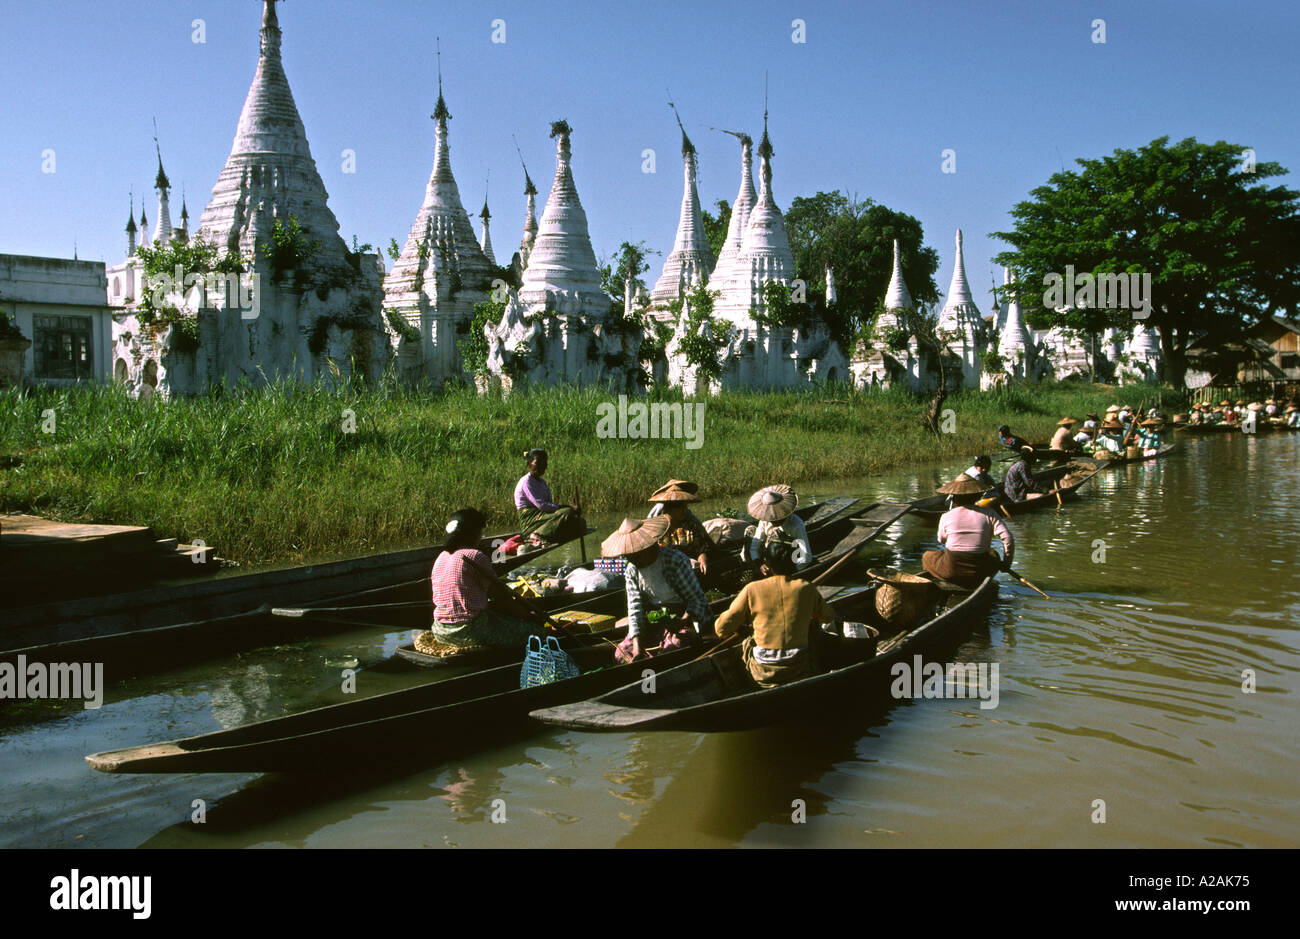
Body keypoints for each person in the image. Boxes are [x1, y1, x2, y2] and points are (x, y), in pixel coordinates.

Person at [714, 540, 836, 687]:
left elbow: (721, 629)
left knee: (747, 642)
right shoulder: (806, 588)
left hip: (763, 673)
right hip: (798, 668)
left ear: (767, 564)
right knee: (813, 631)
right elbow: (829, 616)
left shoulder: (752, 589)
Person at [426, 508, 542, 649]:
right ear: (473, 533)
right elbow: (501, 597)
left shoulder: (441, 557)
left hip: (440, 629)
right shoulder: (474, 556)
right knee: (536, 632)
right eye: (480, 532)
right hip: (468, 629)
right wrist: (528, 616)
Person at [603, 516, 715, 661]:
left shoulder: (674, 560)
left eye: (635, 554)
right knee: (621, 652)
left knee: (674, 647)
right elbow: (635, 608)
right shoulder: (632, 570)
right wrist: (637, 646)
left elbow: (697, 599)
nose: (632, 559)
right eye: (628, 556)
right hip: (656, 621)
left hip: (685, 618)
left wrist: (682, 621)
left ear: (646, 546)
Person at [922, 475, 1015, 588]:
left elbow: (941, 540)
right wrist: (1006, 564)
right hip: (980, 571)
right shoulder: (989, 513)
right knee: (993, 554)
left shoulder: (947, 515)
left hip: (952, 570)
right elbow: (1008, 538)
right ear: (978, 496)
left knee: (927, 556)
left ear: (954, 498)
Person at [513, 448, 583, 544]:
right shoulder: (526, 482)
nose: (542, 466)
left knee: (580, 522)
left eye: (544, 463)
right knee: (566, 512)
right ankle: (537, 534)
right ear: (529, 464)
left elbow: (549, 504)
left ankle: (549, 533)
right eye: (538, 463)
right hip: (530, 522)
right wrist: (568, 507)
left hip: (544, 517)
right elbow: (542, 506)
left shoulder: (542, 483)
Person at [646, 479, 714, 576]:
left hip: (689, 566)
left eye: (685, 507)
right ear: (669, 509)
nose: (684, 510)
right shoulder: (657, 528)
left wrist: (702, 559)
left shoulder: (689, 525)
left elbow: (700, 548)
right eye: (680, 507)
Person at [743, 484, 811, 570]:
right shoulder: (765, 521)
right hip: (771, 558)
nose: (773, 521)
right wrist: (760, 564)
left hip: (790, 561)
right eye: (771, 519)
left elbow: (806, 555)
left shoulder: (796, 525)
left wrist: (790, 571)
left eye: (777, 519)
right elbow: (754, 548)